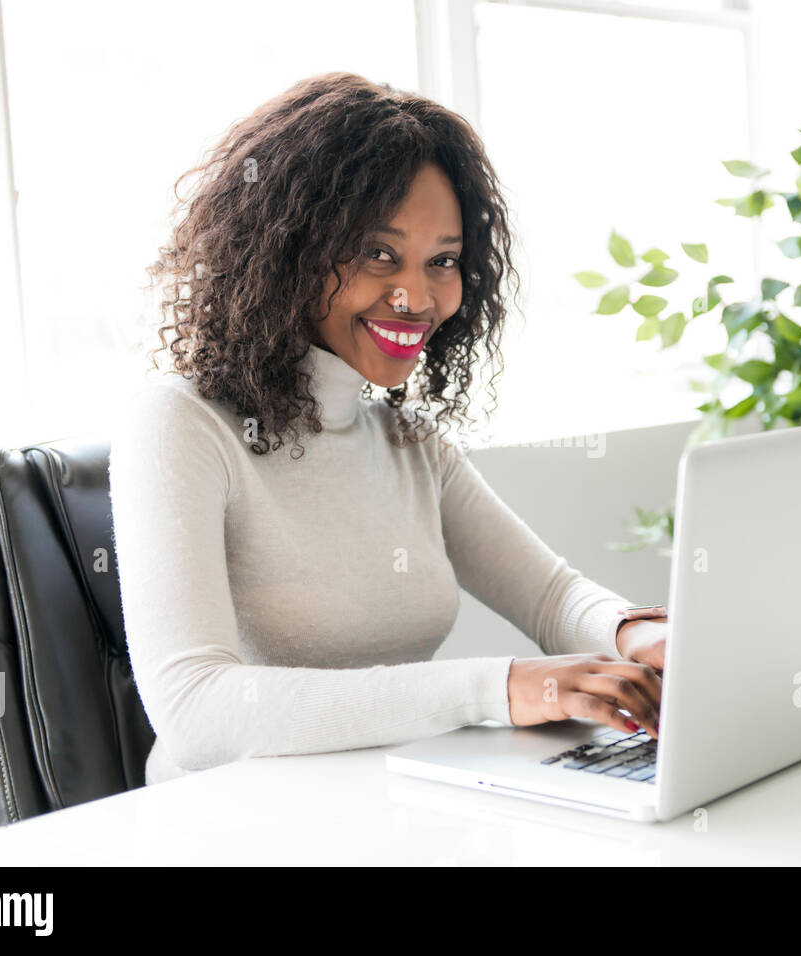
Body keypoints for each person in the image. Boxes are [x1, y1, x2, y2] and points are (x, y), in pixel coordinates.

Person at [109, 72, 668, 785]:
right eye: (379, 253)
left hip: (387, 808)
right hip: (230, 828)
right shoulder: (180, 424)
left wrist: (638, 634)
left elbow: (552, 596)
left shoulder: (408, 441)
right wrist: (498, 688)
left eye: (443, 261)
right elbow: (196, 711)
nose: (417, 297)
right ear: (286, 251)